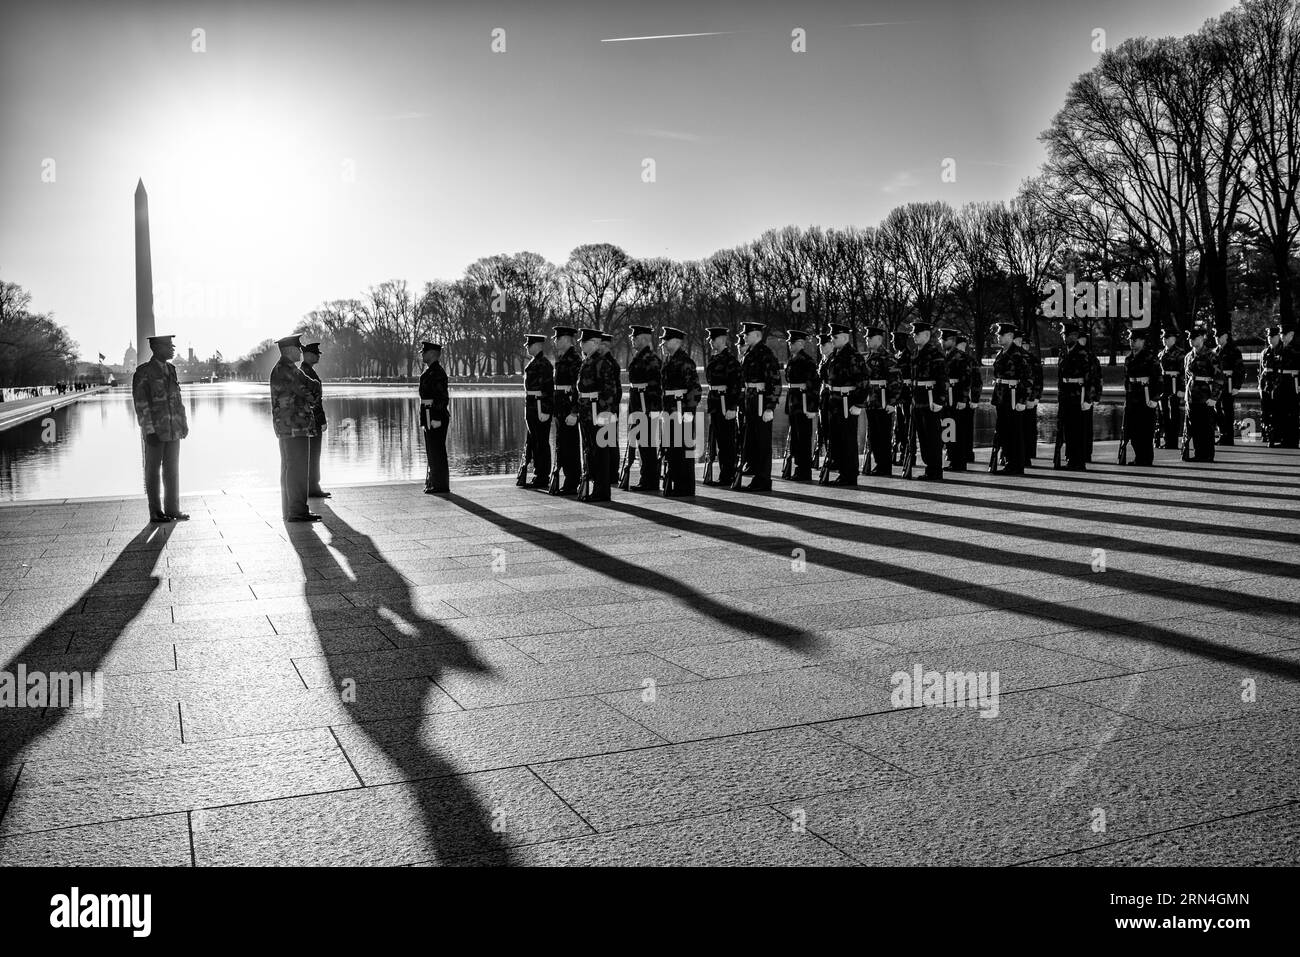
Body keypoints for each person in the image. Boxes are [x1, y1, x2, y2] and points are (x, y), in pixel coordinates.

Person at [132, 332, 189, 523]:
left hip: (174, 429)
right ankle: (155, 511)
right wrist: (148, 430)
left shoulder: (171, 370)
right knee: (153, 470)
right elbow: (141, 404)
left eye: (172, 345)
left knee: (172, 470)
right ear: (156, 348)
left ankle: (173, 509)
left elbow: (178, 400)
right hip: (156, 431)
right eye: (168, 346)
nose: (172, 348)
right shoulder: (143, 372)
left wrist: (184, 423)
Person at [269, 334, 320, 522]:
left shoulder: (284, 368)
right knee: (297, 469)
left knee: (290, 468)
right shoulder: (287, 369)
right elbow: (309, 389)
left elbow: (308, 386)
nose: (300, 351)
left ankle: (290, 510)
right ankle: (297, 511)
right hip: (294, 425)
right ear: (290, 351)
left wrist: (313, 389)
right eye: (298, 349)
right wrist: (315, 391)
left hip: (289, 425)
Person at [732, 320, 781, 491]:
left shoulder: (765, 353)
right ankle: (756, 475)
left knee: (762, 441)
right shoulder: (750, 353)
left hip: (760, 401)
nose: (744, 336)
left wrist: (770, 406)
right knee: (751, 440)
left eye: (747, 333)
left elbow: (775, 381)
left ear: (757, 335)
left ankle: (763, 479)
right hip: (750, 401)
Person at [577, 328, 618, 501]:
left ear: (594, 343)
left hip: (598, 414)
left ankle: (602, 491)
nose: (580, 344)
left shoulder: (602, 363)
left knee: (600, 452)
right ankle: (595, 487)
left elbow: (609, 392)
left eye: (583, 341)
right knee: (590, 451)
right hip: (587, 413)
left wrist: (602, 415)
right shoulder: (587, 361)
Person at [823, 322, 866, 485]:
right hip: (835, 401)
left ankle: (850, 474)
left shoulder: (853, 356)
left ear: (845, 337)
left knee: (847, 439)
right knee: (837, 438)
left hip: (847, 402)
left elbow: (863, 381)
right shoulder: (835, 354)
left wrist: (858, 404)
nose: (832, 340)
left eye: (835, 337)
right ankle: (842, 471)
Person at [659, 326, 700, 496]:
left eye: (666, 340)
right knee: (673, 449)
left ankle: (686, 486)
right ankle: (676, 482)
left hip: (682, 410)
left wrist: (688, 411)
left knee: (684, 449)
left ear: (676, 342)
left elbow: (695, 389)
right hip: (670, 409)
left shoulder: (685, 362)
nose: (663, 343)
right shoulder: (669, 360)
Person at [907, 321, 947, 481]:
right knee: (923, 436)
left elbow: (942, 378)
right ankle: (929, 467)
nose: (914, 336)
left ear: (927, 335)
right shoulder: (915, 352)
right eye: (914, 334)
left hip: (930, 399)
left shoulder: (935, 353)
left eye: (917, 334)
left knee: (933, 436)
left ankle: (935, 469)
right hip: (918, 398)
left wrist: (939, 400)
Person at [625, 325, 662, 491]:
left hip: (646, 405)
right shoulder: (640, 356)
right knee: (642, 443)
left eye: (636, 337)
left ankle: (650, 480)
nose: (632, 339)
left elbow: (656, 385)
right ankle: (646, 478)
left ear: (645, 339)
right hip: (638, 404)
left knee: (647, 444)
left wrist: (652, 408)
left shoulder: (651, 358)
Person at [704, 326, 742, 486]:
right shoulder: (715, 358)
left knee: (727, 442)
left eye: (712, 339)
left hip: (725, 403)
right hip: (715, 403)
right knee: (718, 440)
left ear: (721, 340)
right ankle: (723, 474)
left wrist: (733, 407)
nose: (710, 342)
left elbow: (736, 385)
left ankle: (728, 475)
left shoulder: (730, 360)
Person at [860, 326, 900, 477]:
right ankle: (878, 464)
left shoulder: (887, 357)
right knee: (874, 435)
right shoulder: (869, 356)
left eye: (870, 338)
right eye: (866, 338)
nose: (867, 340)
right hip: (871, 402)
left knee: (883, 435)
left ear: (879, 339)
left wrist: (892, 402)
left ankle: (885, 465)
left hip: (883, 402)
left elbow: (896, 381)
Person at [990, 322, 1029, 475]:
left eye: (1001, 334)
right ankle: (1008, 462)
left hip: (1013, 397)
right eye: (998, 334)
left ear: (1011, 336)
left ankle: (1016, 465)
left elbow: (1027, 379)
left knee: (1014, 432)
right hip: (1002, 397)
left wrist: (1022, 400)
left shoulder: (1019, 353)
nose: (998, 336)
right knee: (1004, 431)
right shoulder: (1002, 352)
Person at [1055, 322, 1094, 471]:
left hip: (1079, 395)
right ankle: (1071, 459)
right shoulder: (1063, 352)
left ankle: (1079, 461)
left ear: (1075, 336)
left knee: (1078, 430)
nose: (1064, 337)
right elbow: (1060, 377)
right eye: (1063, 334)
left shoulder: (1084, 353)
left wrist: (1088, 399)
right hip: (1066, 395)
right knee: (1068, 429)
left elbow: (1091, 378)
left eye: (1066, 334)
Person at [1122, 326, 1163, 466]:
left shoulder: (1150, 357)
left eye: (1134, 340)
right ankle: (1139, 457)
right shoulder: (1128, 359)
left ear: (1142, 341)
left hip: (1146, 398)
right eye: (1130, 340)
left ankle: (1146, 459)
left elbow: (1158, 379)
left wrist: (1155, 399)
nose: (1131, 342)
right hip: (1132, 398)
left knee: (1146, 430)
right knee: (1133, 431)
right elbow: (1127, 380)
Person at [782, 328, 819, 480]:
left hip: (803, 404)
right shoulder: (793, 359)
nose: (790, 345)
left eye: (792, 342)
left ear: (800, 343)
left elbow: (814, 384)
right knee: (796, 439)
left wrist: (811, 408)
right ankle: (798, 468)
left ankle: (804, 470)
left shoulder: (806, 361)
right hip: (794, 403)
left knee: (803, 437)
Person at [550, 326, 582, 494]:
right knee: (562, 445)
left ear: (566, 340)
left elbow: (578, 388)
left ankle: (572, 481)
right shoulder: (562, 357)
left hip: (568, 408)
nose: (555, 341)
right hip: (560, 408)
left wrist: (575, 412)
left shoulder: (574, 359)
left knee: (570, 446)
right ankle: (568, 480)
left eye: (557, 338)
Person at [1183, 324, 1221, 461]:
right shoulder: (1188, 356)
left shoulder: (1211, 355)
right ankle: (1199, 454)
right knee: (1195, 426)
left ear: (1201, 338)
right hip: (1192, 396)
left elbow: (1219, 378)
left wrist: (1214, 397)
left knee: (1207, 427)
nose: (1191, 341)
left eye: (1194, 338)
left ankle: (1208, 455)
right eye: (1189, 339)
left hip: (1205, 396)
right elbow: (1186, 377)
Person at [521, 333, 554, 490]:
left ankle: (543, 475)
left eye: (530, 344)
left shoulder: (544, 364)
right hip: (532, 406)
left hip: (540, 406)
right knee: (534, 442)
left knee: (541, 442)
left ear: (538, 345)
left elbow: (548, 389)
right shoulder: (534, 362)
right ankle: (537, 473)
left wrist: (546, 410)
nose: (527, 347)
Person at [419, 341, 450, 493]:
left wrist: (436, 418)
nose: (422, 354)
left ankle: (441, 485)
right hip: (428, 414)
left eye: (424, 351)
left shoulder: (437, 372)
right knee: (432, 450)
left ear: (431, 353)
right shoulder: (431, 371)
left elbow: (442, 398)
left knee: (437, 450)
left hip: (435, 415)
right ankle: (434, 482)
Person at [300, 341, 330, 498]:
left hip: (309, 419)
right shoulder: (306, 372)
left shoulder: (307, 370)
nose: (318, 356)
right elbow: (314, 400)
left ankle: (312, 485)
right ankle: (313, 486)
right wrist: (322, 419)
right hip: (312, 420)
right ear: (308, 355)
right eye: (315, 353)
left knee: (313, 453)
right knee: (314, 452)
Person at [938, 328, 969, 470]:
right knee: (948, 429)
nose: (941, 341)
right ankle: (952, 458)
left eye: (944, 339)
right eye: (941, 339)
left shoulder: (961, 356)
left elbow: (966, 379)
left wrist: (963, 399)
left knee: (958, 430)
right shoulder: (943, 355)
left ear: (952, 341)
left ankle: (959, 462)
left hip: (956, 396)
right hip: (946, 398)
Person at [1012, 328, 1043, 465]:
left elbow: (1038, 380)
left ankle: (1029, 453)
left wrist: (1035, 398)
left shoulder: (1031, 359)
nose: (1024, 346)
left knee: (1028, 427)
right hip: (1017, 397)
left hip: (1028, 397)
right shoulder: (1014, 356)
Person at [1267, 323, 1299, 448]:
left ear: (1291, 334)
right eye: (1281, 334)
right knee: (1282, 412)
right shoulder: (1279, 349)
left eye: (1284, 334)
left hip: (1292, 383)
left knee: (1292, 413)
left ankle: (1292, 441)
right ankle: (1285, 439)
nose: (1282, 336)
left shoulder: (1296, 349)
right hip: (1280, 384)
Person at [1213, 328, 1245, 445]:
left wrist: (1237, 386)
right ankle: (1223, 433)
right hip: (1217, 385)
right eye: (1216, 337)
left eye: (1220, 337)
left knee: (1228, 410)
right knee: (1217, 409)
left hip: (1229, 384)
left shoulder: (1234, 351)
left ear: (1226, 336)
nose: (1217, 339)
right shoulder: (1214, 351)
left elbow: (1240, 369)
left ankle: (1229, 437)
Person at [598, 332, 622, 482]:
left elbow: (612, 389)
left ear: (604, 345)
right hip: (610, 406)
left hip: (609, 407)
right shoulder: (607, 362)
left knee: (610, 440)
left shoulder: (609, 363)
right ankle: (611, 472)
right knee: (609, 439)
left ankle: (612, 473)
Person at [1157, 330, 1187, 449]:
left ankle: (1173, 441)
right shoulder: (1161, 354)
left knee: (1173, 415)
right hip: (1164, 388)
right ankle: (1167, 440)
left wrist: (1182, 389)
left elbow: (1184, 373)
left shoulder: (1180, 354)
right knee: (1163, 415)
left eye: (1168, 337)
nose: (1165, 339)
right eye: (1164, 337)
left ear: (1174, 339)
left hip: (1175, 387)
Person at [955, 333, 981, 469]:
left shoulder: (968, 360)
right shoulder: (971, 359)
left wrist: (974, 399)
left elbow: (976, 381)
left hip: (966, 398)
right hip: (965, 398)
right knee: (963, 428)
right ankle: (964, 452)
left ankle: (965, 452)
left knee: (963, 427)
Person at [892, 331, 914, 465]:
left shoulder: (909, 356)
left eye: (896, 341)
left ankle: (908, 453)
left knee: (907, 426)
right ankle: (901, 452)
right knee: (899, 426)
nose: (893, 343)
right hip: (900, 395)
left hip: (906, 395)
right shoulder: (897, 356)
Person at [1258, 323, 1281, 445]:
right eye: (1268, 336)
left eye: (1273, 336)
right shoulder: (1264, 352)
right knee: (1265, 411)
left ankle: (1276, 435)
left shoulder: (1283, 351)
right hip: (1265, 386)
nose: (1270, 338)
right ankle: (1267, 434)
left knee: (1277, 411)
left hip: (1278, 386)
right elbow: (1261, 371)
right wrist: (1260, 386)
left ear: (1278, 336)